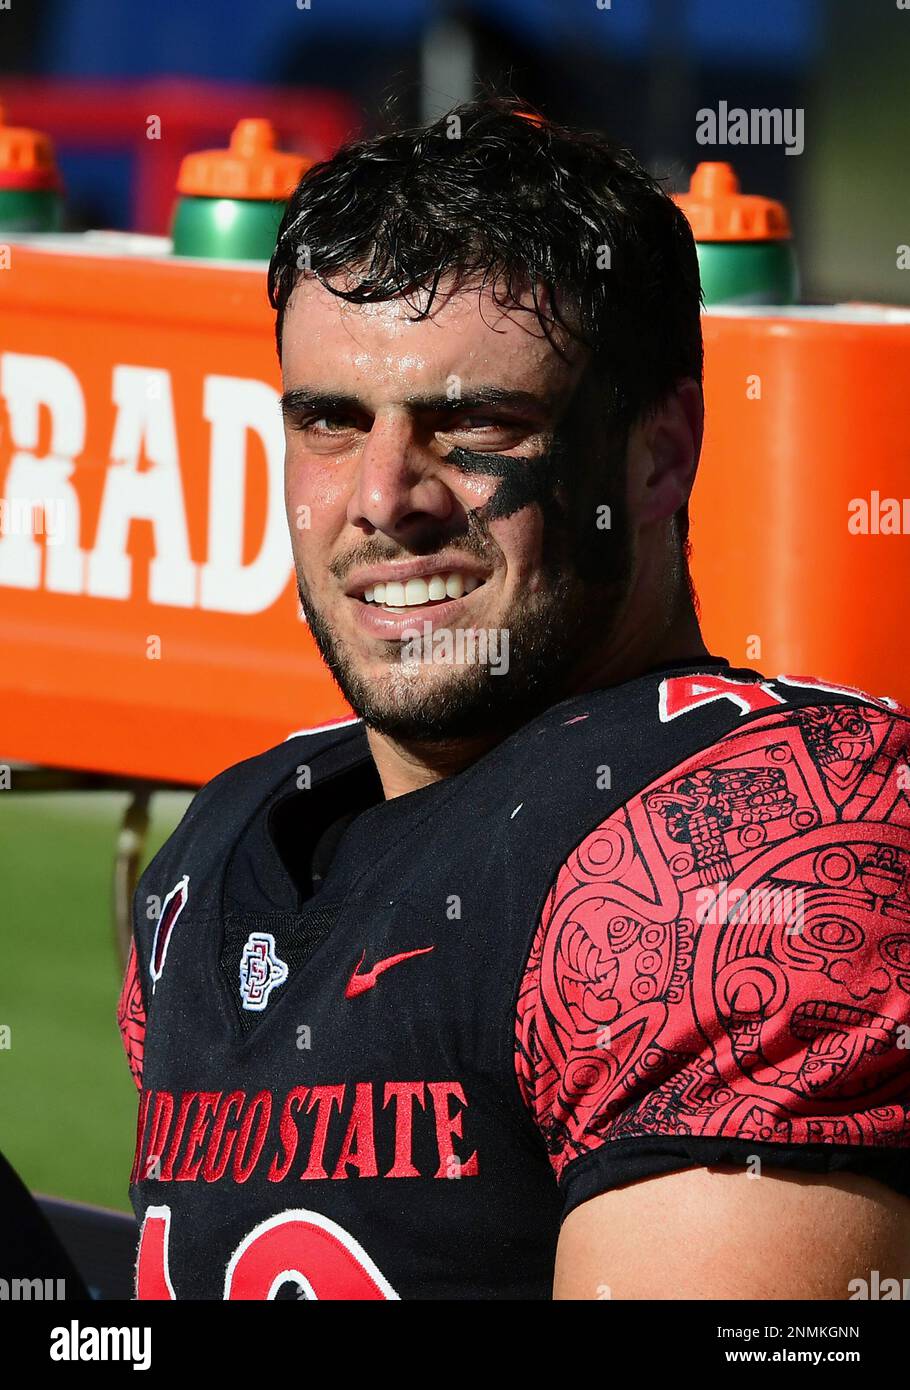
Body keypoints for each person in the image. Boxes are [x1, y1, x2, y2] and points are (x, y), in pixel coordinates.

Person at [118, 96, 910, 1300]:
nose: (384, 496)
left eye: (475, 424)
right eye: (331, 421)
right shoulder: (223, 849)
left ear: (660, 452)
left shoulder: (744, 849)